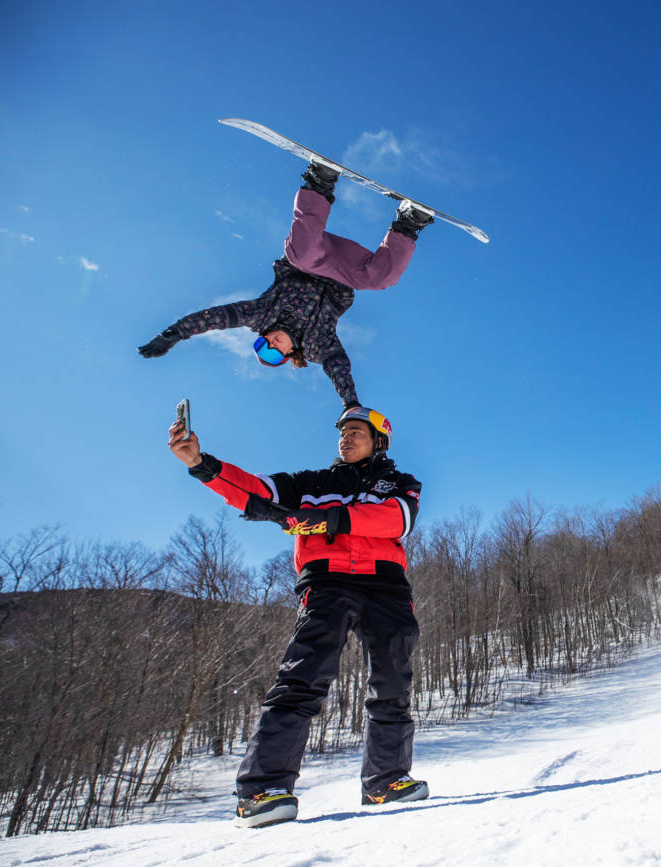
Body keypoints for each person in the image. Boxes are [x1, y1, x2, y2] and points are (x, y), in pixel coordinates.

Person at [167, 405, 427, 828]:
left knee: (393, 684)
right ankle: (262, 790)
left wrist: (327, 519)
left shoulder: (399, 483)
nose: (346, 438)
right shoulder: (310, 483)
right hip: (327, 583)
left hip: (387, 587)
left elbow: (396, 520)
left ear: (379, 440)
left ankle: (386, 781)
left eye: (357, 432)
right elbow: (252, 490)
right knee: (302, 677)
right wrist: (201, 464)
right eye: (343, 432)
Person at [140, 163, 433, 408]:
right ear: (290, 355)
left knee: (304, 254)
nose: (269, 344)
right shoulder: (319, 347)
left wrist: (175, 333)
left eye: (261, 345)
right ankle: (408, 224)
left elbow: (214, 318)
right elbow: (340, 371)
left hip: (309, 258)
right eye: (271, 353)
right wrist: (350, 404)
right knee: (379, 280)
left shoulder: (260, 315)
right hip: (343, 272)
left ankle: (319, 183)